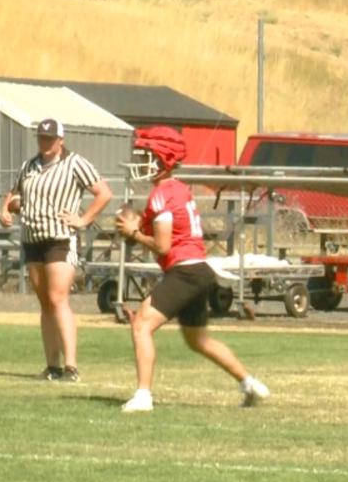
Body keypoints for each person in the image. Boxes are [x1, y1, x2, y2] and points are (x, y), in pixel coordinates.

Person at [114, 126, 270, 412]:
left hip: (184, 271)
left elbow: (162, 246)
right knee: (198, 339)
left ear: (164, 157)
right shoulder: (178, 188)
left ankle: (143, 396)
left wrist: (133, 233)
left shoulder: (162, 193)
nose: (141, 162)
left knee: (141, 325)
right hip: (199, 269)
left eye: (147, 155)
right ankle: (250, 383)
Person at [0, 118, 112, 382]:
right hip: (33, 237)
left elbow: (103, 193)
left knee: (58, 297)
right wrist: (6, 209)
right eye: (41, 138)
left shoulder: (75, 163)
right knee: (46, 302)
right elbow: (15, 194)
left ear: (61, 140)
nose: (45, 143)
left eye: (50, 139)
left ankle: (71, 366)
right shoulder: (28, 166)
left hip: (60, 237)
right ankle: (52, 365)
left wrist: (83, 220)